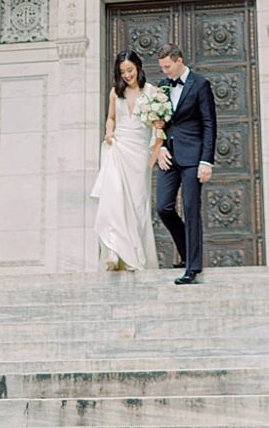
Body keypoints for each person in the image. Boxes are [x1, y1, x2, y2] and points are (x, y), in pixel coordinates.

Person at [90, 50, 162, 271]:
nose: (127, 75)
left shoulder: (152, 93)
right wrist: (108, 132)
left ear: (138, 68)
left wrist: (154, 155)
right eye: (122, 72)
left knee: (137, 205)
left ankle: (134, 257)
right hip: (119, 148)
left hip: (140, 154)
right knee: (113, 199)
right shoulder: (115, 93)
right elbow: (111, 118)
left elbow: (158, 127)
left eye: (130, 70)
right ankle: (114, 251)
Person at [155, 42, 217, 285]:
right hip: (168, 156)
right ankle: (185, 250)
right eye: (162, 68)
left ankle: (192, 267)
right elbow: (158, 122)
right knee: (163, 207)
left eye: (168, 67)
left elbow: (209, 123)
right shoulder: (162, 86)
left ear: (179, 60)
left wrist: (206, 161)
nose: (165, 72)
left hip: (193, 158)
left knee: (191, 209)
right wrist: (159, 147)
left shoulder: (200, 84)